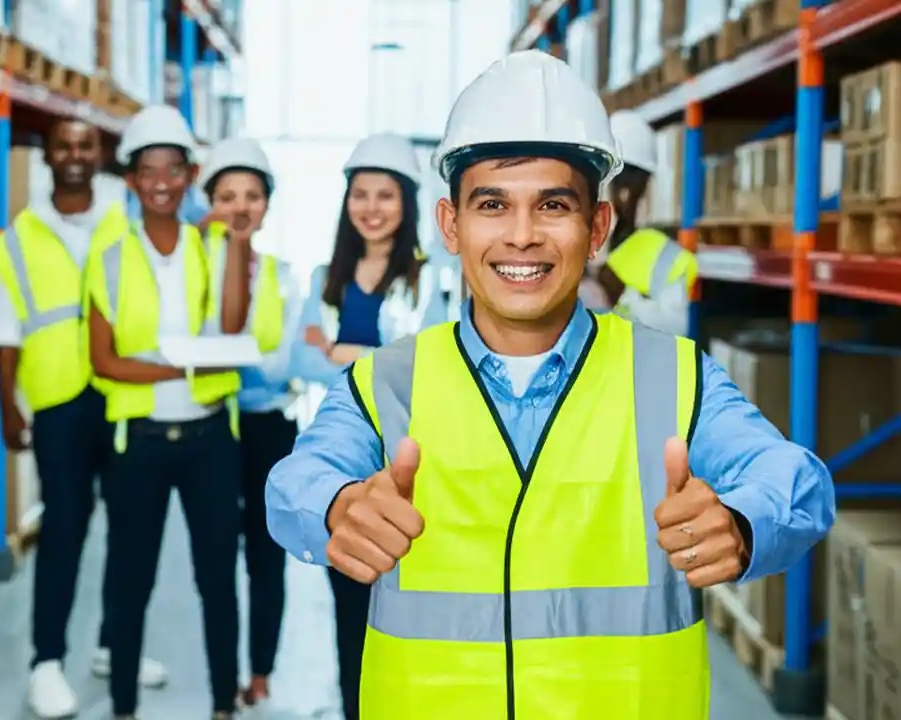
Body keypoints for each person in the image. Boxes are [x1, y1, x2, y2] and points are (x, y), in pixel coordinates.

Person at [266, 50, 835, 719]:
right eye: (492, 204)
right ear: (451, 225)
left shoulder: (670, 376)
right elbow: (295, 479)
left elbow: (797, 480)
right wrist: (336, 506)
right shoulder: (387, 381)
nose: (522, 236)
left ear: (597, 227)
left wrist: (743, 521)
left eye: (554, 205)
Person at [0, 119, 167, 720]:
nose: (74, 155)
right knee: (63, 530)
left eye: (85, 145)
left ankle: (117, 645)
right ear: (47, 155)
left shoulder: (126, 217)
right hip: (59, 399)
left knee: (130, 527)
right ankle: (46, 662)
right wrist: (7, 403)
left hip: (122, 393)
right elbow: (5, 327)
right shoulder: (19, 237)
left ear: (100, 155)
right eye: (62, 144)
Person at [279, 132, 447, 720]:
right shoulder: (327, 275)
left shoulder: (429, 281)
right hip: (338, 471)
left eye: (385, 195)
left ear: (407, 204)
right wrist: (373, 353)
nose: (371, 207)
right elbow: (293, 362)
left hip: (405, 471)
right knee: (347, 607)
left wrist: (337, 351)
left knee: (406, 611)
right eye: (360, 195)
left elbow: (430, 366)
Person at [84, 104, 244, 720]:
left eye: (172, 169)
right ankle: (123, 706)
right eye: (147, 170)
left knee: (216, 582)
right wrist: (185, 366)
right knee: (131, 583)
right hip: (140, 444)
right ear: (131, 181)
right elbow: (105, 361)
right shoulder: (111, 261)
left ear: (189, 175)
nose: (160, 181)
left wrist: (231, 242)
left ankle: (224, 704)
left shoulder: (209, 248)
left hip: (209, 440)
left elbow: (229, 327)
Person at [197, 137, 303, 709]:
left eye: (252, 195)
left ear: (266, 205)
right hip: (214, 426)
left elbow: (278, 360)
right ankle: (221, 681)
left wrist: (223, 354)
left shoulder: (286, 277)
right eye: (227, 195)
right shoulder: (195, 267)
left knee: (266, 559)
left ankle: (260, 670)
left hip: (269, 431)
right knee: (217, 561)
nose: (240, 206)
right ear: (210, 201)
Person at [594, 110, 698, 336]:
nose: (623, 188)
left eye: (630, 175)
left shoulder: (668, 257)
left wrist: (624, 296)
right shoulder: (581, 240)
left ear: (645, 183)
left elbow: (676, 329)